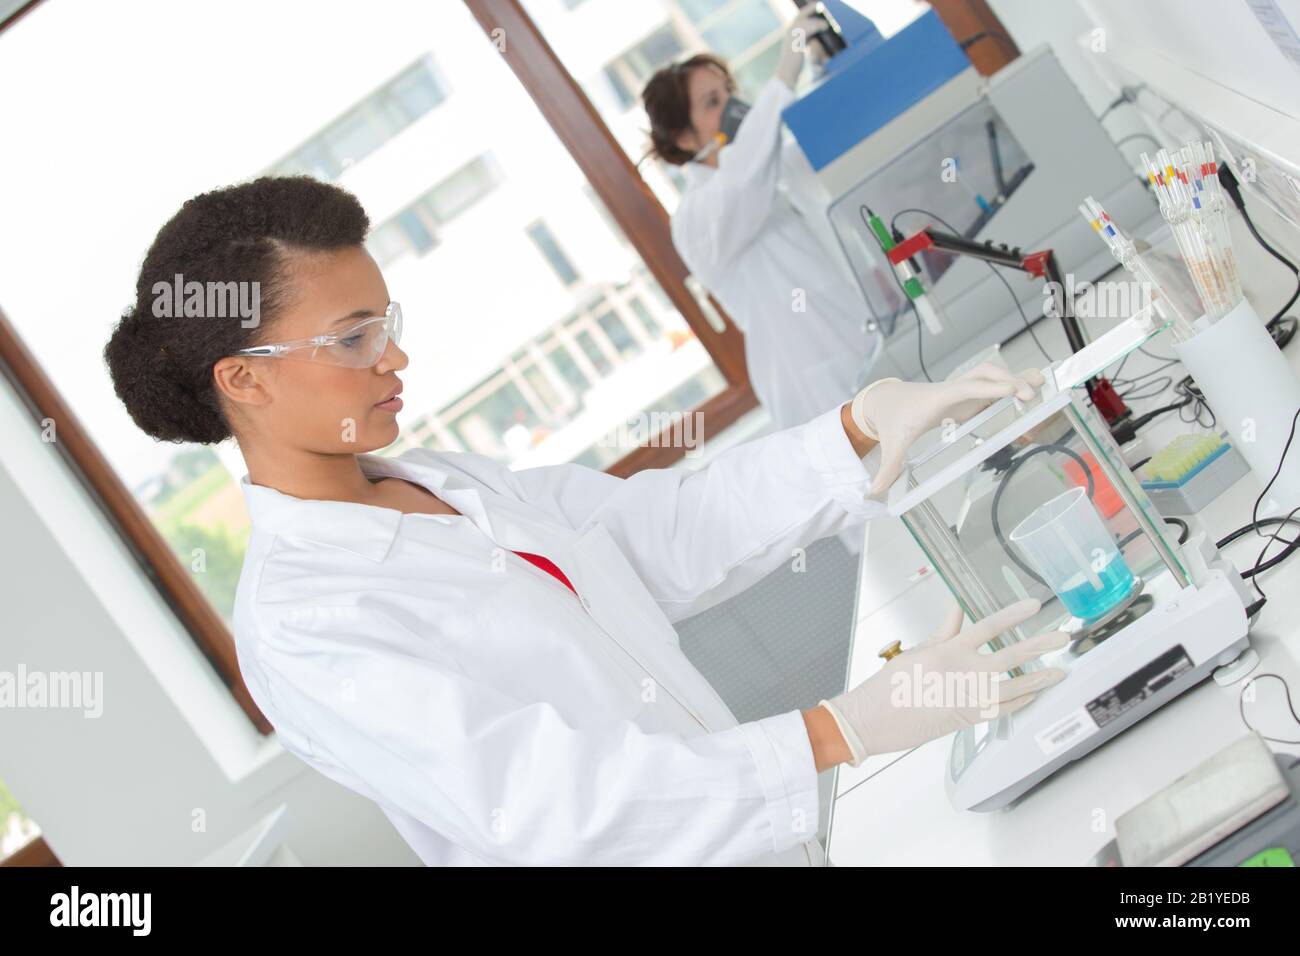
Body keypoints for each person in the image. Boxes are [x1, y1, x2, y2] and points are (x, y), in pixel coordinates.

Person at [104, 176, 1064, 867]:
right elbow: (552, 811)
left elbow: (662, 531)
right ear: (245, 380)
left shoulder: (438, 481)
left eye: (385, 322)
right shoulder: (308, 624)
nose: (395, 359)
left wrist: (859, 425)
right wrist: (839, 731)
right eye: (354, 338)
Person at [642, 9, 878, 438]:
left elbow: (803, 144)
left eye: (728, 90)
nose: (733, 105)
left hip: (863, 341)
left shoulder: (770, 163)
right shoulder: (696, 218)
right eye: (713, 102)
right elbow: (742, 179)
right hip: (815, 384)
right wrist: (785, 69)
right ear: (684, 138)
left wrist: (823, 69)